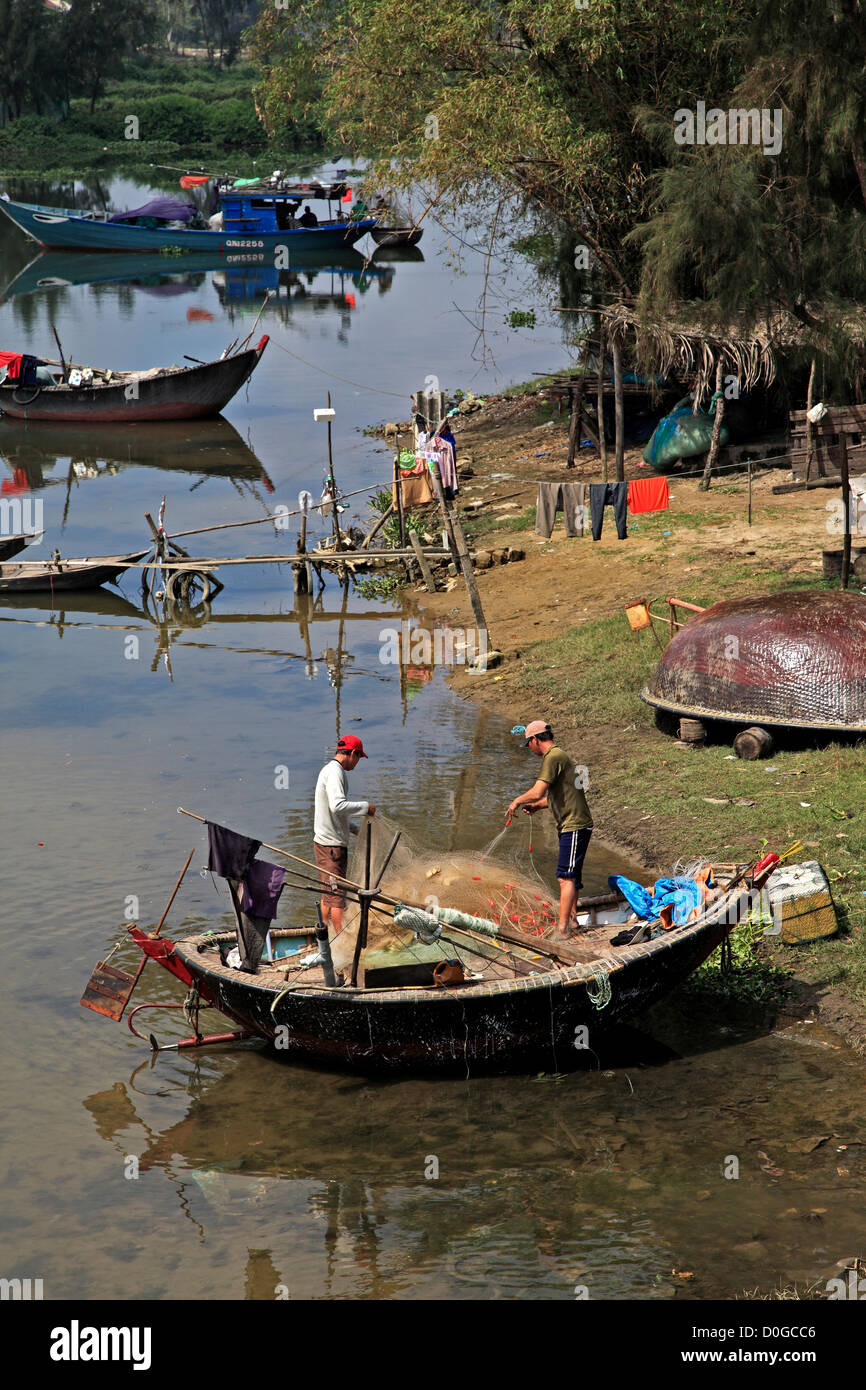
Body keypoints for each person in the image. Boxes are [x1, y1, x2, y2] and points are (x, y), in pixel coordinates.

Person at [506, 720, 593, 937]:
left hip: (574, 825)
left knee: (566, 877)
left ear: (535, 740)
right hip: (573, 824)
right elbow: (560, 795)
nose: (530, 749)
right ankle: (572, 921)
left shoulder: (552, 756)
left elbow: (537, 791)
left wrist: (517, 801)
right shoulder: (559, 757)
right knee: (572, 876)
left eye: (529, 745)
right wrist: (537, 806)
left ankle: (562, 929)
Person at [314, 735, 375, 940]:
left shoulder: (331, 771)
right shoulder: (335, 772)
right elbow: (338, 806)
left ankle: (323, 937)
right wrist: (366, 807)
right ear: (352, 753)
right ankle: (340, 943)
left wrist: (356, 830)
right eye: (358, 757)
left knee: (328, 894)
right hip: (331, 849)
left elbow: (335, 815)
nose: (357, 762)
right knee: (337, 897)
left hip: (326, 844)